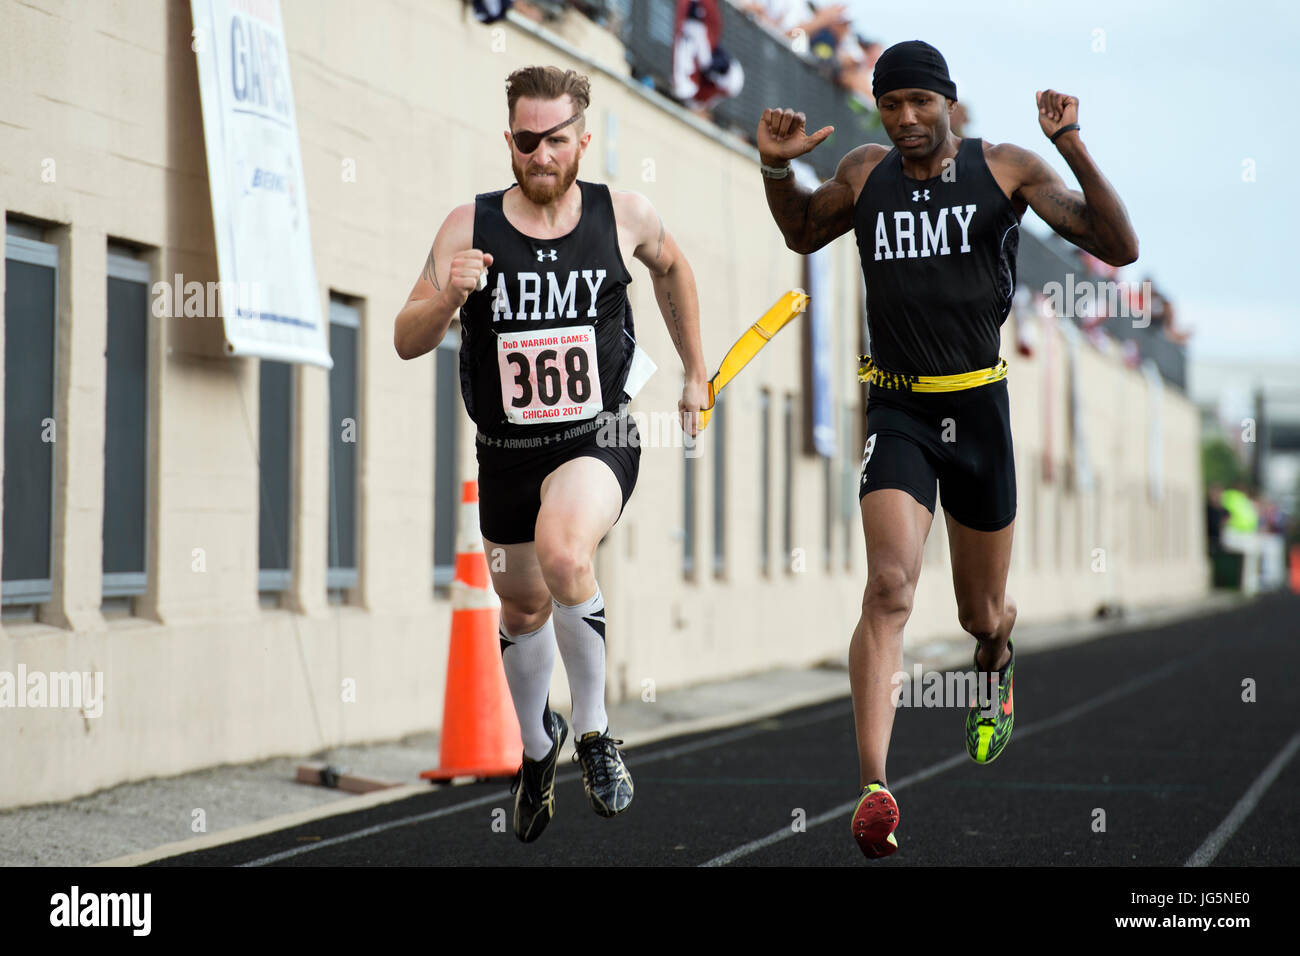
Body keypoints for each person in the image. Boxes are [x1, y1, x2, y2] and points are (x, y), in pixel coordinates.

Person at [754, 40, 1138, 858]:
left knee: (980, 613)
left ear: (948, 104)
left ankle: (995, 661)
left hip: (980, 411)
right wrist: (778, 171)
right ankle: (873, 788)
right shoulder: (864, 175)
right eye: (891, 105)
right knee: (889, 586)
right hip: (897, 411)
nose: (905, 120)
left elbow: (1118, 245)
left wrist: (1071, 144)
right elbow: (801, 235)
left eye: (919, 104)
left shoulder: (1005, 170)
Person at [394, 66, 710, 842]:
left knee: (567, 554)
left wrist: (696, 371)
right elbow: (406, 339)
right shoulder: (466, 228)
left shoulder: (623, 215)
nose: (541, 155)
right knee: (524, 603)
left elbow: (673, 268)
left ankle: (597, 734)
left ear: (582, 140)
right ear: (510, 139)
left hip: (595, 435)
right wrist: (446, 296)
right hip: (505, 450)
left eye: (556, 140)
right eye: (527, 140)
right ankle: (539, 750)